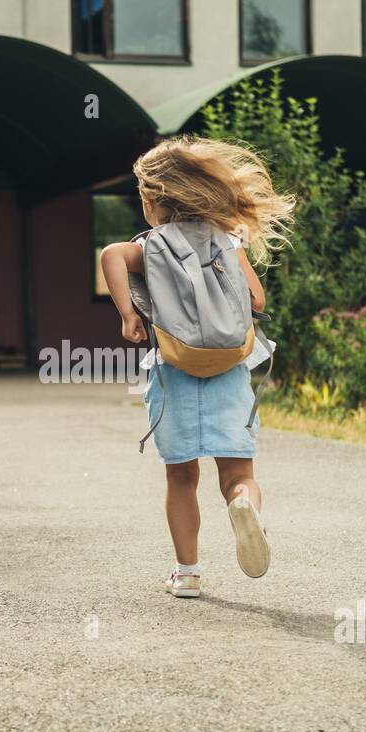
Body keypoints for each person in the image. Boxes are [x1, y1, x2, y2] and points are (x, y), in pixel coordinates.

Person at [99, 136, 294, 598]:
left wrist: (129, 314)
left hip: (176, 371)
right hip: (229, 372)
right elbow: (257, 300)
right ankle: (245, 505)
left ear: (152, 202)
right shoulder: (226, 240)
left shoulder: (152, 246)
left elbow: (110, 255)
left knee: (182, 478)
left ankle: (187, 573)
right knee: (239, 476)